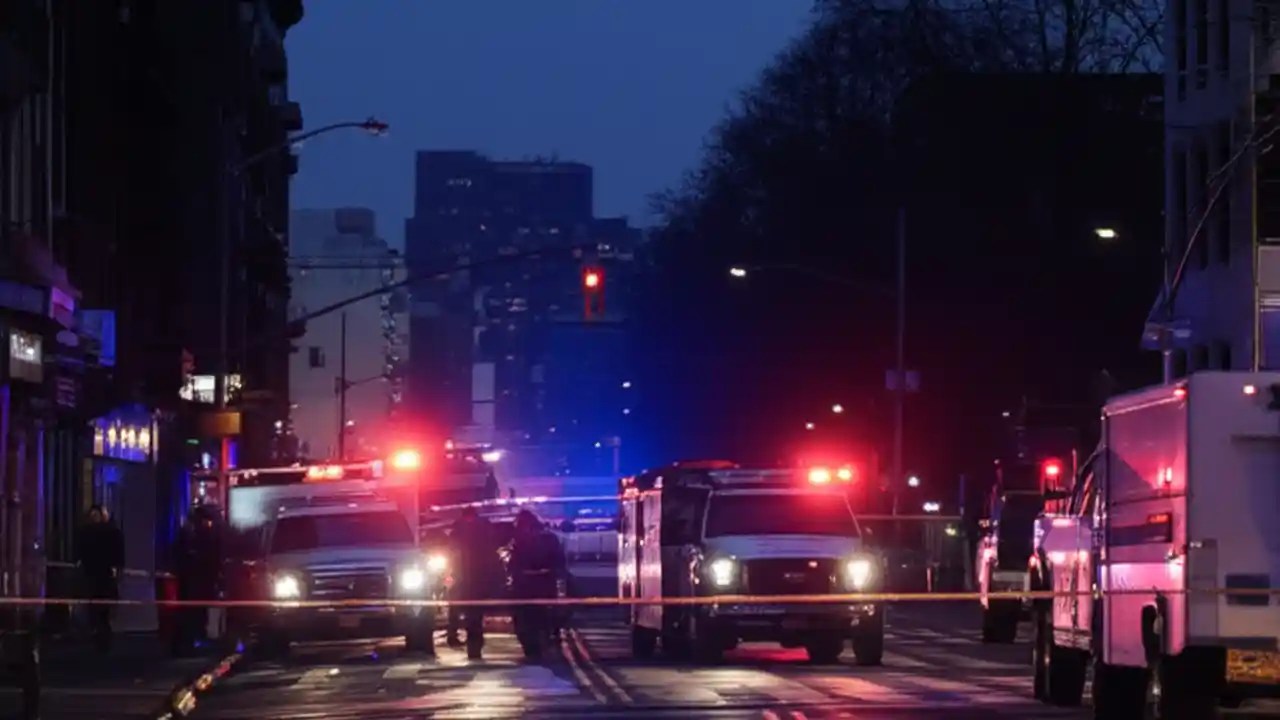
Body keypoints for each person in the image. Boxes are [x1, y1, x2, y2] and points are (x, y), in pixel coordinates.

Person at [508, 509, 565, 659]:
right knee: (540, 618)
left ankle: (537, 644)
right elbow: (559, 561)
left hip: (530, 586)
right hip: (538, 585)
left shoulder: (519, 540)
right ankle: (543, 641)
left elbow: (512, 564)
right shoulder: (546, 538)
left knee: (530, 619)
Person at [448, 507, 502, 659]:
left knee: (459, 608)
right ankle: (474, 645)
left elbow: (452, 548)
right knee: (475, 614)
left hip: (463, 576)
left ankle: (458, 637)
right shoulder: (484, 526)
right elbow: (493, 548)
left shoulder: (458, 527)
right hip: (479, 577)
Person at [173, 505, 223, 655]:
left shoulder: (199, 535)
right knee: (194, 613)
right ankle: (193, 640)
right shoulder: (198, 536)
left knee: (196, 612)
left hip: (197, 582)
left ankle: (195, 639)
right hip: (195, 582)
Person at [77, 505, 124, 652]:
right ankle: (98, 635)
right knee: (95, 608)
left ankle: (103, 637)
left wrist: (117, 568)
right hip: (93, 575)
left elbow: (118, 553)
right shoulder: (87, 533)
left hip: (104, 575)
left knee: (103, 609)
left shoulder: (111, 533)